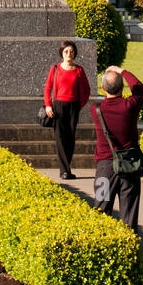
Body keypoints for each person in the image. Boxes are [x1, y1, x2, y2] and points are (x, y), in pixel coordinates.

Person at [91, 67, 143, 231]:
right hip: (129, 165)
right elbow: (138, 87)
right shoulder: (129, 106)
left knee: (101, 209)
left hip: (104, 167)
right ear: (122, 88)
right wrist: (122, 71)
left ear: (103, 89)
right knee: (129, 213)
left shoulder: (96, 109)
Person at [44, 40, 91, 180]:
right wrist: (48, 105)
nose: (69, 54)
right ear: (62, 53)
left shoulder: (79, 70)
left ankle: (66, 168)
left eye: (71, 51)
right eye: (66, 51)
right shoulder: (55, 68)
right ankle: (64, 170)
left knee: (70, 138)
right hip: (58, 106)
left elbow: (87, 90)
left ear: (74, 53)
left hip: (73, 106)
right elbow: (47, 88)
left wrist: (79, 105)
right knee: (60, 137)